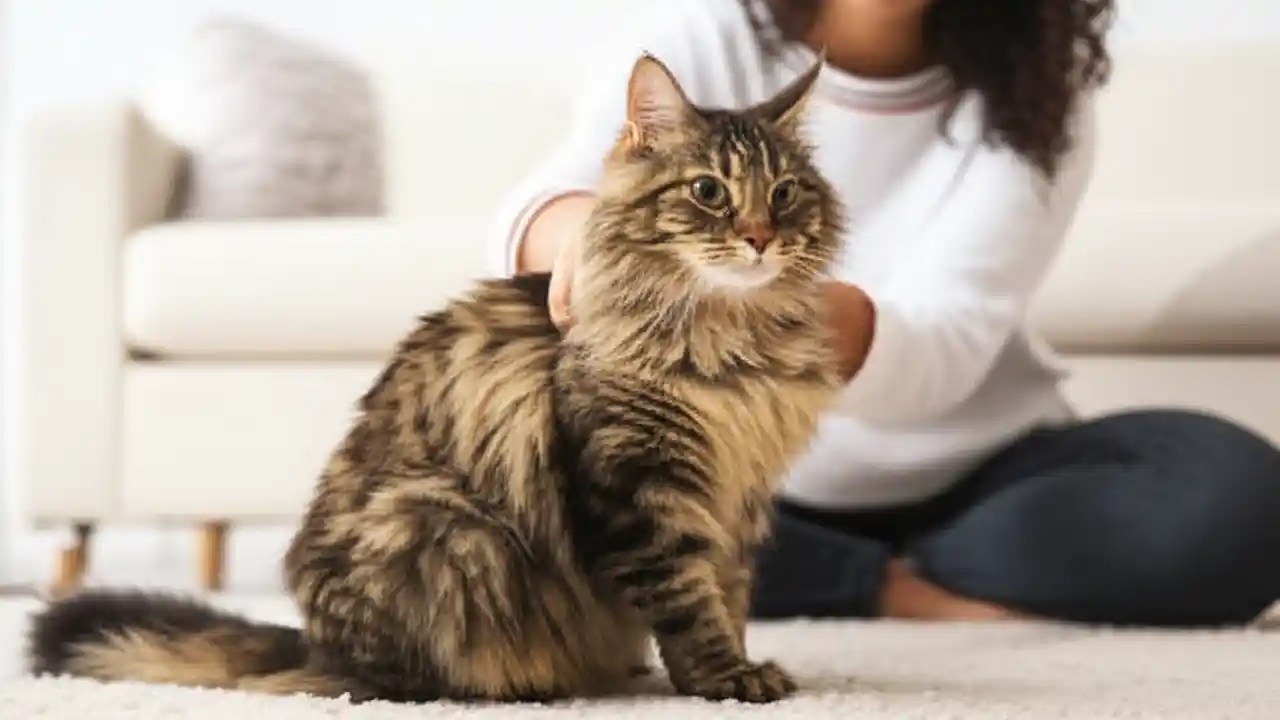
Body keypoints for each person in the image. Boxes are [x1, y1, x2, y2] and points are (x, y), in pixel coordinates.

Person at [492, 0, 1280, 626]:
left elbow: (944, 346)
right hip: (731, 470)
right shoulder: (702, 29)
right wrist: (593, 245)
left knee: (1238, 499)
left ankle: (810, 573)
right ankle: (891, 590)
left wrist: (766, 307)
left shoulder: (1040, 92)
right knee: (510, 488)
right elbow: (537, 213)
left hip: (980, 479)